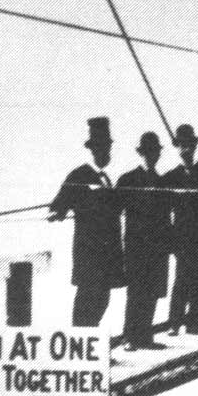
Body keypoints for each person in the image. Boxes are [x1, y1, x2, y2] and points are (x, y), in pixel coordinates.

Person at [48, 117, 122, 326]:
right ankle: (81, 343)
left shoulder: (106, 179)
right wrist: (59, 211)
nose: (106, 153)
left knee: (102, 300)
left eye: (108, 147)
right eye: (102, 148)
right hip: (89, 253)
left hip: (107, 253)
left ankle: (92, 345)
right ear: (93, 150)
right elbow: (59, 204)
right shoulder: (79, 175)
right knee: (87, 301)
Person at [118, 131, 171, 349]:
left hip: (157, 247)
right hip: (137, 247)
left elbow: (167, 215)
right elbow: (114, 207)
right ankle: (130, 337)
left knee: (152, 292)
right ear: (142, 153)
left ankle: (145, 336)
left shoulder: (161, 182)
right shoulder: (128, 180)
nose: (153, 156)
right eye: (149, 152)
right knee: (136, 292)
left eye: (156, 152)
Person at [163, 124, 198, 335]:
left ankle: (195, 323)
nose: (186, 149)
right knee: (181, 279)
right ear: (178, 148)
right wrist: (170, 240)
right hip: (182, 236)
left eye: (190, 145)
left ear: (194, 146)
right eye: (182, 146)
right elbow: (164, 211)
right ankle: (175, 323)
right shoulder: (171, 178)